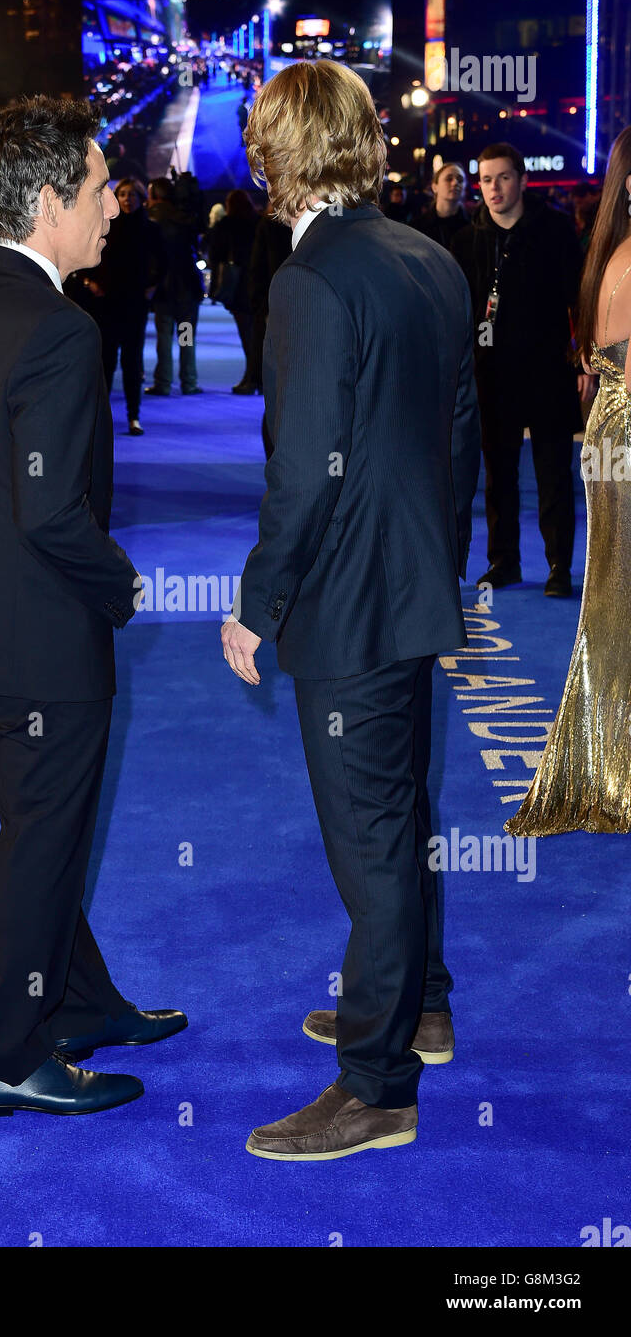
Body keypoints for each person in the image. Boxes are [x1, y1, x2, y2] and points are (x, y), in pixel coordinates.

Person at [220, 59, 480, 1163]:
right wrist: (434, 566)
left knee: (371, 843)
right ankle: (418, 1006)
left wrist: (254, 602)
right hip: (411, 588)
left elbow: (302, 470)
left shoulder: (312, 280)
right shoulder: (428, 255)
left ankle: (375, 1087)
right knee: (403, 819)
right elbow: (461, 436)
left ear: (284, 149)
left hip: (349, 600)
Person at [0, 95, 187, 1119]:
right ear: (46, 204)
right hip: (41, 638)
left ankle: (80, 1001)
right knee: (41, 844)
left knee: (47, 829)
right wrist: (120, 585)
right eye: (97, 187)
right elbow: (51, 510)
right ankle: (9, 1051)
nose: (114, 205)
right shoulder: (61, 331)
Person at [505, 128, 631, 836]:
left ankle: (611, 765)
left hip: (612, 429)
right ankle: (614, 772)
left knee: (613, 602)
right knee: (620, 604)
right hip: (627, 434)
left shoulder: (608, 252)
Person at [452, 144, 594, 597]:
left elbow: (579, 298)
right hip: (492, 376)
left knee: (554, 474)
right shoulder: (468, 238)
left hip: (549, 371)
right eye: (487, 180)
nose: (494, 188)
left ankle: (558, 567)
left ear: (523, 179)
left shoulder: (554, 230)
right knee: (499, 476)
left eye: (504, 178)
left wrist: (584, 359)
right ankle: (503, 561)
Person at [80, 178, 162, 435]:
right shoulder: (105, 227)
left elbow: (164, 262)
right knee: (105, 361)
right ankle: (101, 416)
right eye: (123, 194)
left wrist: (153, 286)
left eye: (132, 195)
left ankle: (133, 416)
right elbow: (85, 257)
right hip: (107, 303)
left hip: (135, 303)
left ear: (141, 198)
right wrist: (88, 281)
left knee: (132, 362)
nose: (128, 199)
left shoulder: (150, 229)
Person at [145, 176, 205, 397]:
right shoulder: (184, 216)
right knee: (186, 337)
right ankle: (189, 382)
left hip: (162, 289)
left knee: (163, 337)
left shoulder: (150, 219)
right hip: (186, 289)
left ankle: (163, 382)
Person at [242, 199, 292, 413]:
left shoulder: (267, 224)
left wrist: (257, 297)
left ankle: (261, 381)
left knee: (268, 343)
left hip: (273, 293)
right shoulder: (272, 225)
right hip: (283, 293)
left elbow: (257, 264)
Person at [207, 189, 258, 393]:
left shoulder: (225, 225)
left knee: (247, 336)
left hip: (236, 285)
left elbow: (215, 254)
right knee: (257, 335)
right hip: (256, 284)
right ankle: (256, 377)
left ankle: (251, 378)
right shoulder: (258, 222)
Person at [410, 163, 470, 249]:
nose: (455, 183)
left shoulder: (474, 225)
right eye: (449, 179)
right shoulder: (417, 227)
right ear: (435, 187)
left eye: (460, 180)